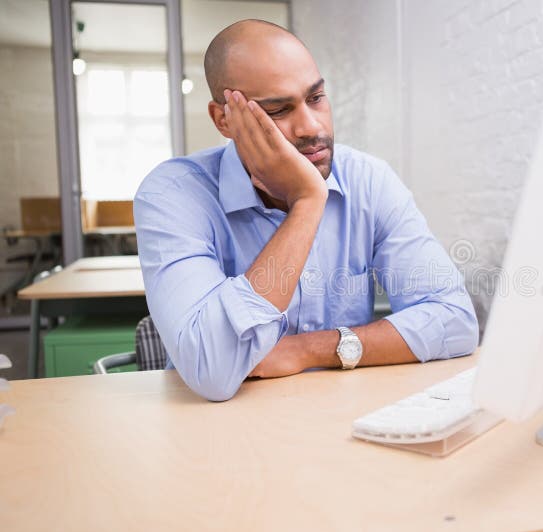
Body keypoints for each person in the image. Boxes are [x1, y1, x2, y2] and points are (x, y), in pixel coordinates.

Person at [134, 19, 478, 401]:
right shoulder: (174, 195)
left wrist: (308, 350)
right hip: (219, 434)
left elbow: (455, 320)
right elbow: (214, 370)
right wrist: (307, 203)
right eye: (279, 110)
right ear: (224, 120)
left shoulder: (368, 180)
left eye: (316, 98)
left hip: (338, 420)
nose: (311, 127)